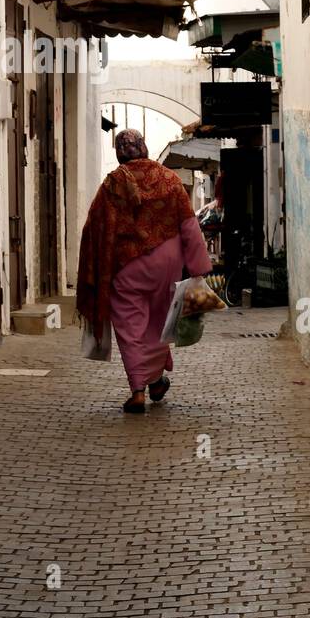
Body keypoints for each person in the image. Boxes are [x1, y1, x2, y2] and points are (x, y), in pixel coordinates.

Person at [77, 129, 212, 414]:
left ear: (119, 151)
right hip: (168, 263)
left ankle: (138, 389)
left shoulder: (112, 184)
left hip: (127, 267)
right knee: (157, 324)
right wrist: (199, 268)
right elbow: (189, 224)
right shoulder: (169, 179)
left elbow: (94, 226)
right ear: (144, 147)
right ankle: (155, 381)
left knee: (130, 326)